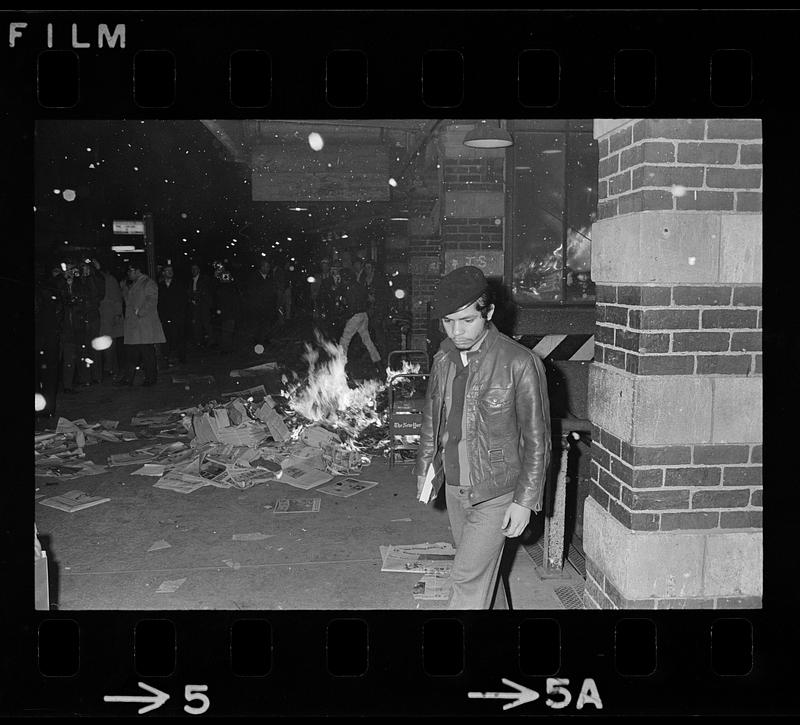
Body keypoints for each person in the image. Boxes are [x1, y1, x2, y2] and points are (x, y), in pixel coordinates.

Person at [414, 266, 551, 610]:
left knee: (466, 579)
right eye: (448, 322)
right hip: (457, 487)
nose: (456, 331)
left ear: (487, 313)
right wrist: (427, 469)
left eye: (466, 321)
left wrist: (525, 500)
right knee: (483, 575)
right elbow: (433, 418)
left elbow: (537, 440)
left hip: (497, 491)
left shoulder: (519, 362)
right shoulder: (444, 357)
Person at [116, 262, 166, 387]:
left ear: (137, 271)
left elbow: (151, 300)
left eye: (130, 271)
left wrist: (140, 312)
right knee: (132, 353)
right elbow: (129, 302)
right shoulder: (134, 284)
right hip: (135, 325)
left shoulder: (148, 283)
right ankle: (129, 378)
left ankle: (150, 378)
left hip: (143, 325)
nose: (128, 274)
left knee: (146, 352)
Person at [338, 267, 382, 371]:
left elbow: (352, 307)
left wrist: (345, 316)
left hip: (356, 316)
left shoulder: (350, 288)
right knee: (367, 341)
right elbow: (367, 300)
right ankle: (378, 364)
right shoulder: (359, 286)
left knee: (344, 341)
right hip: (363, 315)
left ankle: (340, 366)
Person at [92, 257, 124, 381]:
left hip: (108, 316)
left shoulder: (108, 280)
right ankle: (110, 368)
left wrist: (117, 315)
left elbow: (117, 299)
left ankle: (110, 368)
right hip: (102, 315)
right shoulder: (98, 279)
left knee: (109, 344)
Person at [158, 262, 189, 365]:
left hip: (178, 316)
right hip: (166, 316)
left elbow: (183, 300)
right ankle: (167, 356)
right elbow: (160, 302)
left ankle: (181, 357)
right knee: (167, 337)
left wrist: (181, 314)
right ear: (163, 273)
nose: (170, 273)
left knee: (180, 337)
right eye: (167, 271)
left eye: (171, 271)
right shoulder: (160, 286)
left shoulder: (179, 284)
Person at [212, 265, 242, 354]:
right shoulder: (221, 287)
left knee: (228, 331)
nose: (225, 277)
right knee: (226, 331)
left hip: (228, 312)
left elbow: (235, 300)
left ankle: (227, 348)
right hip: (225, 312)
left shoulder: (231, 287)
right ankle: (226, 349)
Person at [249, 258, 278, 346]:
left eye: (268, 267)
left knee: (267, 323)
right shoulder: (255, 277)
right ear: (261, 267)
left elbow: (272, 291)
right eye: (265, 267)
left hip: (268, 305)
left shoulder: (269, 277)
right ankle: (257, 340)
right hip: (258, 305)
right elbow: (253, 292)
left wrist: (273, 302)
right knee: (258, 324)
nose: (267, 268)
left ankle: (265, 338)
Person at [188, 262, 213, 348]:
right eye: (192, 269)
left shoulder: (204, 279)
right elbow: (189, 292)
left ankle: (211, 340)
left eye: (195, 269)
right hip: (195, 305)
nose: (193, 271)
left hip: (203, 304)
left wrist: (198, 297)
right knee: (196, 324)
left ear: (199, 270)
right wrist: (192, 298)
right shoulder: (190, 280)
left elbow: (205, 291)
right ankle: (199, 341)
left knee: (206, 323)